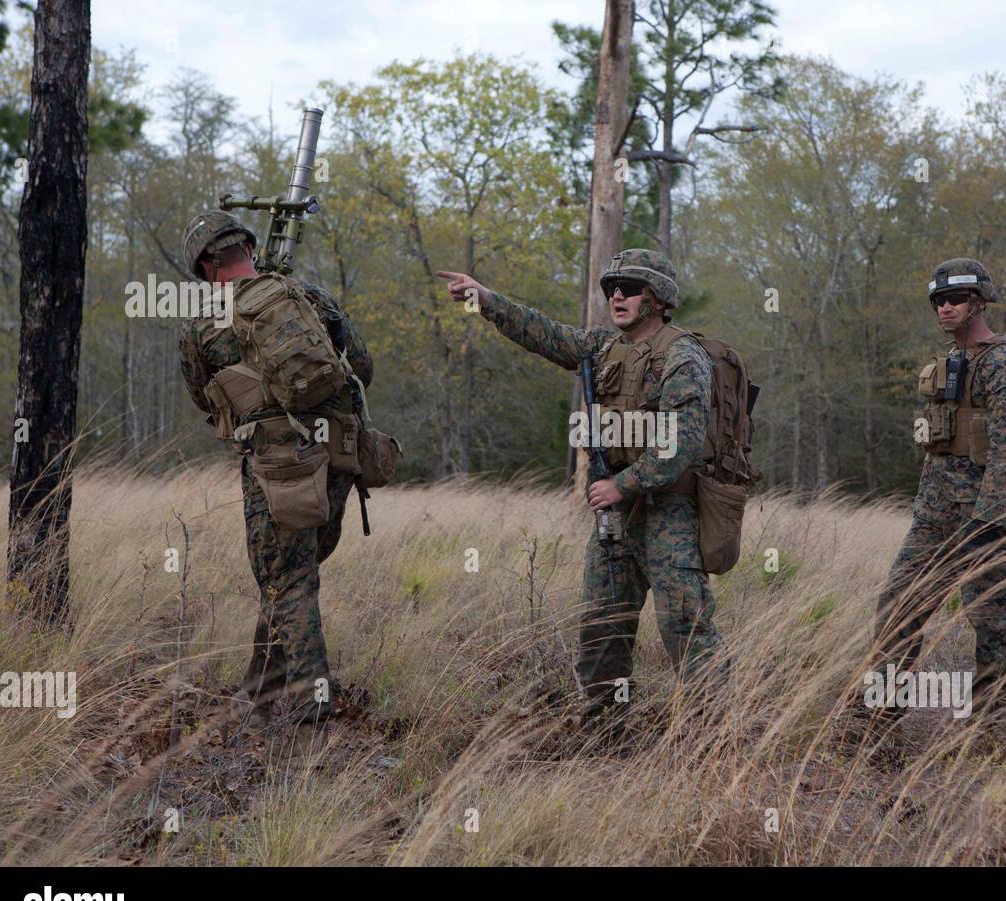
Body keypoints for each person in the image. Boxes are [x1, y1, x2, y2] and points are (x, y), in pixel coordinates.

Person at [437, 250, 725, 739]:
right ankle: (605, 734)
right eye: (611, 285)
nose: (617, 294)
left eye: (630, 286)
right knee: (601, 627)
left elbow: (678, 447)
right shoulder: (601, 347)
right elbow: (544, 334)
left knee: (685, 628)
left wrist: (620, 485)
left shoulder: (683, 355)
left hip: (669, 513)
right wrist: (485, 299)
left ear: (657, 298)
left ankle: (714, 742)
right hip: (616, 517)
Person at [177, 211, 374, 753]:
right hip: (338, 456)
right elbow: (362, 364)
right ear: (246, 247)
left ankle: (313, 722)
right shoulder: (307, 295)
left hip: (278, 468)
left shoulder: (202, 324)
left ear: (206, 264)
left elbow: (204, 401)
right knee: (290, 575)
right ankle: (259, 690)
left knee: (289, 583)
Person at [870, 258, 1006, 726]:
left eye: (955, 299)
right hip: (935, 515)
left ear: (979, 302)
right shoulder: (948, 365)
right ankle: (879, 711)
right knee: (897, 604)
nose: (944, 308)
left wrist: (986, 522)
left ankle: (990, 724)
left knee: (988, 621)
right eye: (938, 301)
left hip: (984, 519)